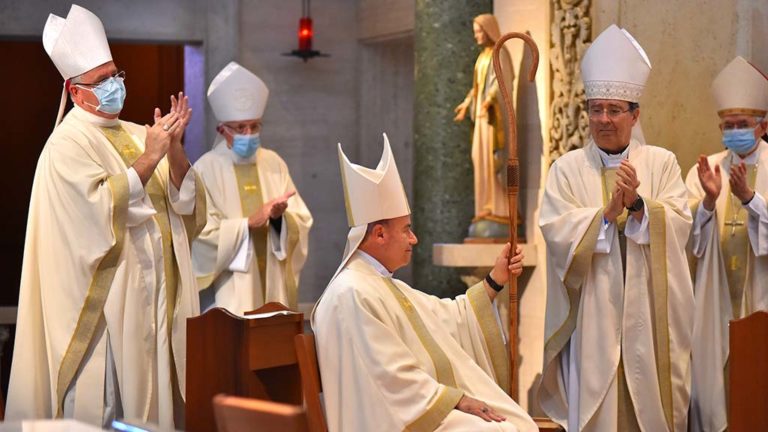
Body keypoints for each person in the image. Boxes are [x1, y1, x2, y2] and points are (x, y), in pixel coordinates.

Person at [7, 5, 206, 429]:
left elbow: (185, 210)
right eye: (102, 81)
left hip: (153, 308)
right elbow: (92, 214)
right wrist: (151, 158)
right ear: (76, 91)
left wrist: (174, 153)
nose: (114, 86)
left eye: (116, 75)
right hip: (107, 317)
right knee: (112, 408)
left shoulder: (137, 132)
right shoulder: (66, 145)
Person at [312, 134, 537, 432]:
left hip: (419, 409)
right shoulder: (352, 292)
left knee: (515, 423)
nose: (414, 239)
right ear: (379, 234)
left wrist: (496, 279)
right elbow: (388, 378)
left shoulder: (381, 284)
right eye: (406, 230)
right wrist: (455, 399)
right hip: (391, 421)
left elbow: (448, 318)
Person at [537, 25, 694, 432]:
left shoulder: (660, 163)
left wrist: (640, 206)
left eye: (614, 109)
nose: (603, 119)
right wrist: (604, 216)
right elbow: (555, 231)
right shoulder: (566, 169)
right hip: (592, 318)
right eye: (595, 109)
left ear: (634, 114)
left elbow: (680, 224)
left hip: (647, 313)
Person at [685, 56, 768, 432]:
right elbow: (687, 241)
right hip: (713, 302)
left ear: (763, 125)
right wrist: (707, 201)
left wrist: (751, 199)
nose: (734, 131)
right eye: (728, 125)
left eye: (743, 125)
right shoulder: (705, 170)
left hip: (761, 298)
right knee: (713, 393)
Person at [191, 62, 312, 314]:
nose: (249, 134)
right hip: (232, 288)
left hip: (273, 285)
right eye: (241, 128)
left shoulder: (274, 163)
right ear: (222, 130)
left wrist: (280, 220)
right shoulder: (206, 169)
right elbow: (199, 234)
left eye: (255, 126)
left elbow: (302, 220)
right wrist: (246, 225)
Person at [453, 14, 515, 235]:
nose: (476, 35)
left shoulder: (500, 53)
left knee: (492, 161)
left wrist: (490, 99)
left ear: (489, 30)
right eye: (475, 31)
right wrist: (466, 104)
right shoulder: (482, 58)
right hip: (480, 119)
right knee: (479, 161)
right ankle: (485, 207)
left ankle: (499, 209)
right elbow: (476, 88)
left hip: (492, 119)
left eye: (479, 31)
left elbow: (502, 81)